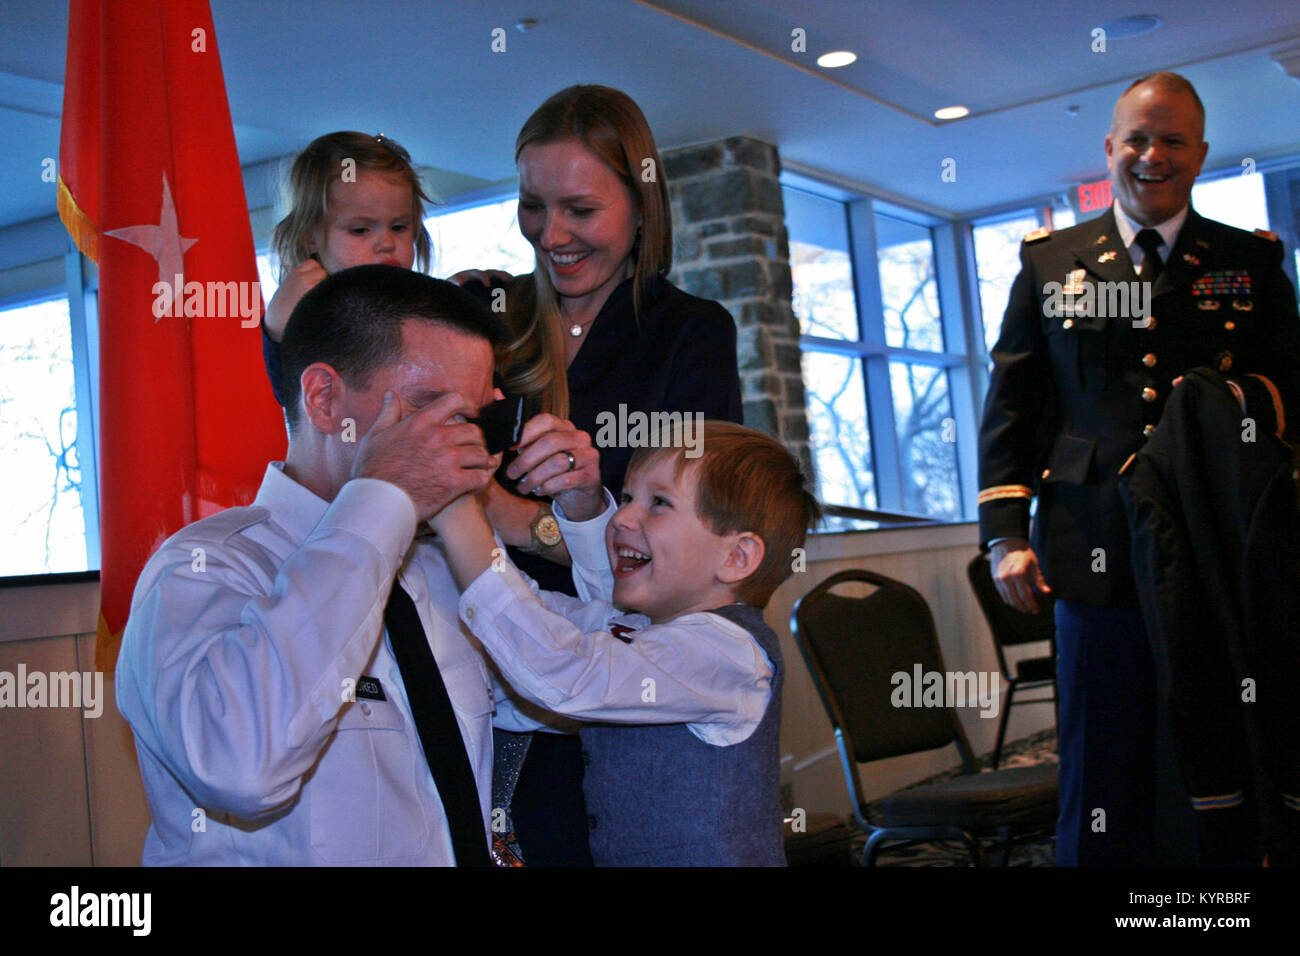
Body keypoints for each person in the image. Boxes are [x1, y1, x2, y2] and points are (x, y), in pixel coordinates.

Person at [116, 266, 608, 865]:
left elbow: (600, 683)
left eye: (473, 420)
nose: (464, 445)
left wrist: (583, 517)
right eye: (432, 411)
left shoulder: (447, 570)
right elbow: (239, 764)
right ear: (325, 399)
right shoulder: (200, 572)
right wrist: (382, 499)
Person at [977, 71, 1300, 865]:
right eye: (1138, 139)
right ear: (1110, 148)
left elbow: (1292, 397)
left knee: (1217, 748)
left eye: (1173, 141)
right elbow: (1014, 407)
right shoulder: (1052, 263)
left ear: (1201, 155)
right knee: (1101, 757)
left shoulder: (1250, 262)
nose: (1153, 156)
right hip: (1095, 551)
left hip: (1215, 552)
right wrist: (1003, 536)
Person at [455, 85, 744, 865]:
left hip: (623, 686)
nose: (551, 235)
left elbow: (687, 554)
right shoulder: (486, 321)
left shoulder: (690, 335)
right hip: (483, 670)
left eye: (579, 210)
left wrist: (523, 521)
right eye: (531, 207)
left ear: (642, 206)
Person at [430, 421, 820, 865]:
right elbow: (536, 619)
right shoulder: (638, 631)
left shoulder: (726, 651)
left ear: (736, 558)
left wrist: (457, 512)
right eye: (629, 496)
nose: (622, 516)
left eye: (658, 503)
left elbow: (566, 673)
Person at [260, 131, 433, 405]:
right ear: (309, 237)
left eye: (399, 227)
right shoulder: (309, 316)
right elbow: (296, 401)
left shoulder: (428, 304)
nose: (387, 243)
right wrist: (279, 330)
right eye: (360, 230)